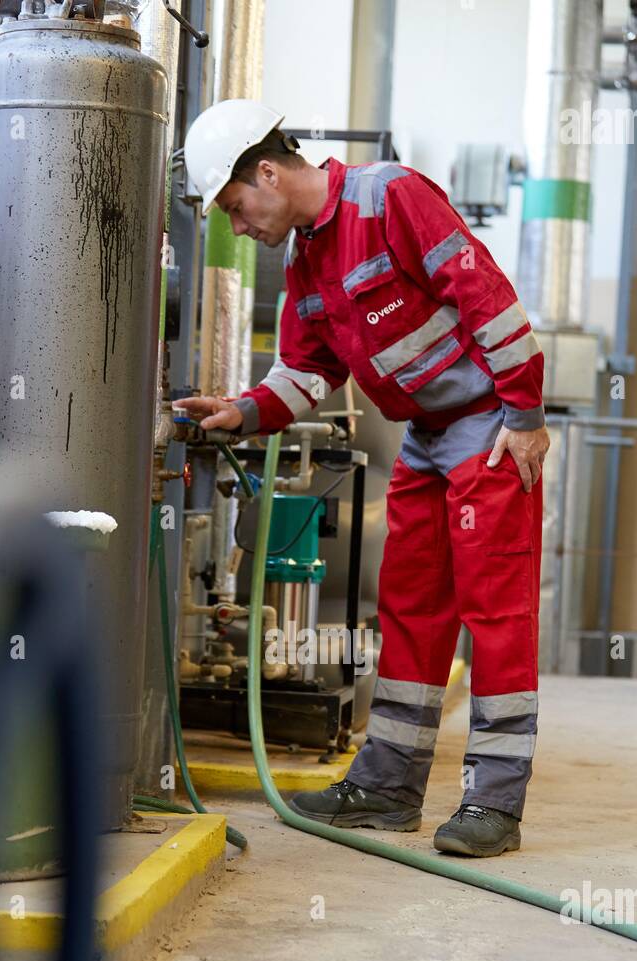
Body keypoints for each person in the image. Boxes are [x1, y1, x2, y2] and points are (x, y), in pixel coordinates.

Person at [175, 99, 549, 857]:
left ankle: (495, 804)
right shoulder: (306, 264)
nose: (239, 226)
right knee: (409, 604)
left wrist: (524, 414)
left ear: (270, 173)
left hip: (488, 425)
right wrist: (241, 413)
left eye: (237, 207)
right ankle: (386, 788)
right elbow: (305, 376)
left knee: (495, 608)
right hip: (427, 437)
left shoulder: (390, 198)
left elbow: (488, 299)